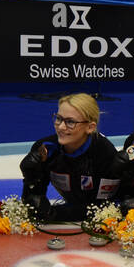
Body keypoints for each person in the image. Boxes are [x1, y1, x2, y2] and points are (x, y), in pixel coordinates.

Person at [19, 94, 126, 222]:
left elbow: (101, 208)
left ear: (90, 127)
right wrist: (30, 178)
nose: (61, 127)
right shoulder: (45, 149)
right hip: (72, 212)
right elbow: (35, 202)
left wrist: (54, 214)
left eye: (70, 122)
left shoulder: (104, 153)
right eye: (58, 118)